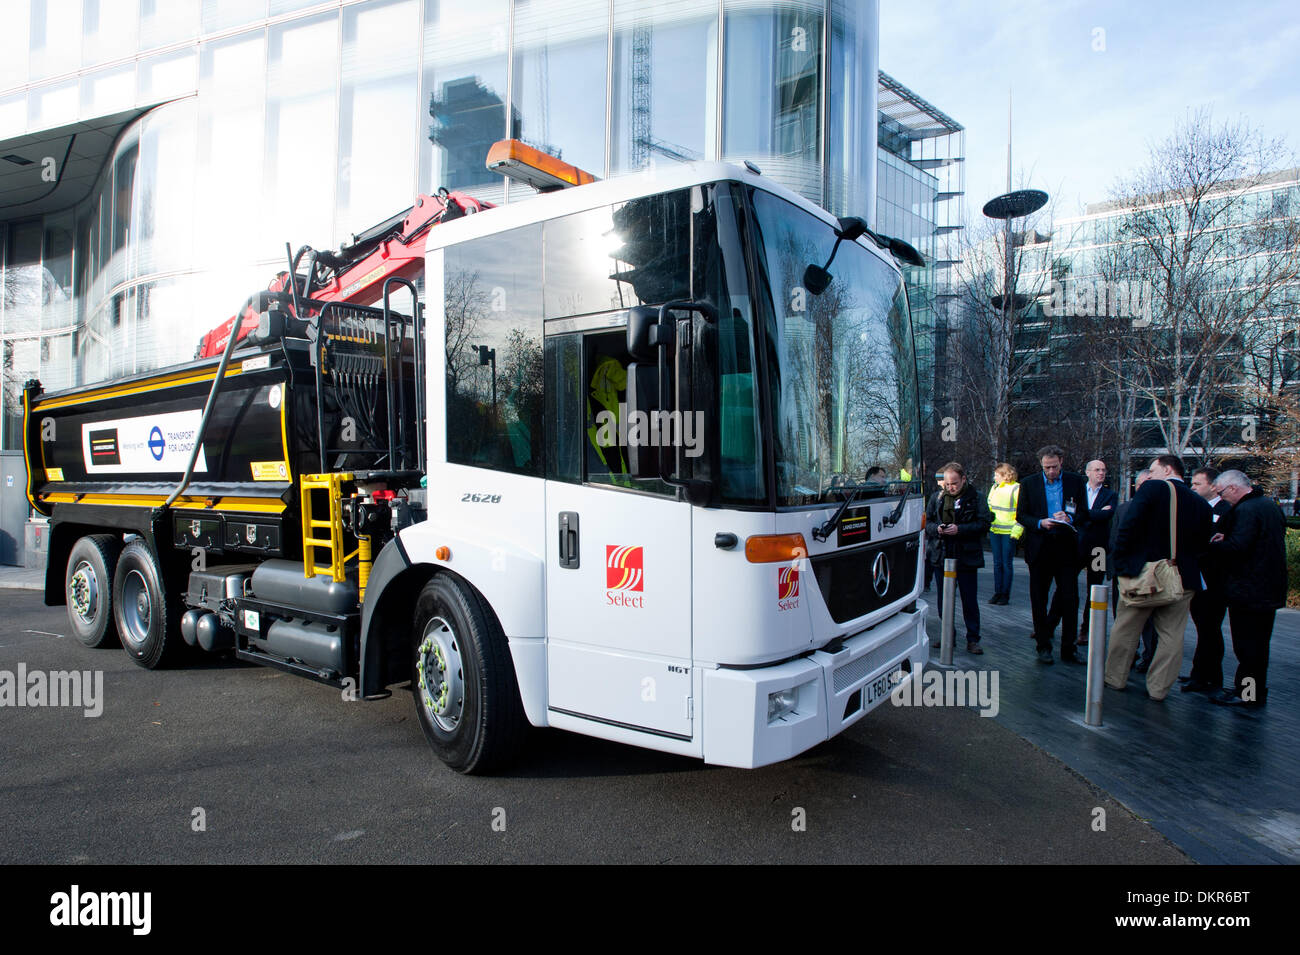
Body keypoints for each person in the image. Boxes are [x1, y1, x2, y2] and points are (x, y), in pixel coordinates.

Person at [1104, 454, 1213, 700]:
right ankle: (1159, 689)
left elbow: (1128, 528)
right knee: (1172, 636)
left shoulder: (1153, 488)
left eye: (1152, 470)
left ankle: (1115, 678)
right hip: (1183, 579)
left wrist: (1121, 566)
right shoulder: (1202, 505)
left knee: (1126, 629)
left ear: (1167, 469)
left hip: (1145, 576)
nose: (1149, 475)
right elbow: (1202, 546)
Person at [1206, 470, 1286, 708]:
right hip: (1269, 588)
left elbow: (1239, 547)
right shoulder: (1269, 506)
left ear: (1232, 489)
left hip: (1249, 590)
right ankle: (1252, 690)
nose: (1222, 499)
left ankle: (1247, 693)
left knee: (1247, 646)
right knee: (1259, 645)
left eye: (1221, 493)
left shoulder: (1245, 510)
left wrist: (1218, 544)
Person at [1016, 445, 1091, 664]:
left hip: (1066, 548)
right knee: (1038, 599)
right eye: (1047, 467)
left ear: (1061, 462)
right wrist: (1040, 522)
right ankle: (1043, 645)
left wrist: (1069, 518)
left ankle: (1069, 648)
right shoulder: (1029, 483)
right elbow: (1021, 515)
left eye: (1054, 467)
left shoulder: (1075, 482)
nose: (1051, 471)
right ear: (1041, 465)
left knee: (1070, 599)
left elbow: (1084, 513)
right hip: (1040, 548)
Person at [924, 462, 993, 654]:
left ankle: (973, 638)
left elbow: (984, 523)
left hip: (966, 555)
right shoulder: (937, 498)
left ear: (963, 479)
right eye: (947, 484)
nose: (950, 487)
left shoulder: (976, 497)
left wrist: (960, 529)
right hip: (941, 553)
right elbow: (928, 521)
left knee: (969, 599)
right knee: (943, 600)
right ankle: (948, 635)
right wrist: (937, 529)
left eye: (954, 483)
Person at [1181, 467, 1232, 693]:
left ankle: (1209, 677)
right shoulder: (1199, 508)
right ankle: (1201, 673)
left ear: (1213, 486)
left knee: (1210, 628)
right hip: (1199, 577)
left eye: (1197, 484)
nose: (1192, 487)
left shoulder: (1226, 510)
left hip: (1214, 580)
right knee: (1204, 628)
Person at [1108, 469, 1157, 663]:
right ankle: (1127, 656)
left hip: (1150, 573)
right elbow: (1114, 540)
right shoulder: (1123, 509)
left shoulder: (1160, 512)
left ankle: (1149, 657)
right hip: (1124, 573)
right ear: (1137, 486)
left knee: (1150, 622)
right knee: (1124, 620)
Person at [1076, 459, 1117, 646]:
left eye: (1103, 469)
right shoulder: (1078, 492)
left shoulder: (1110, 495)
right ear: (1088, 472)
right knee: (1065, 584)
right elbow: (1074, 515)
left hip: (1099, 549)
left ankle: (1086, 629)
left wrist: (1085, 514)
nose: (1101, 473)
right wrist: (1095, 513)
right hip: (1076, 546)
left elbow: (1107, 515)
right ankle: (1050, 624)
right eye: (1097, 470)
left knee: (1095, 588)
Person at [987, 463, 1022, 605]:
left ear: (1004, 475)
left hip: (1009, 532)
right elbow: (990, 507)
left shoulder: (1016, 488)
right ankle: (997, 592)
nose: (994, 477)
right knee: (997, 564)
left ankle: (1005, 594)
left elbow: (1020, 512)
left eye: (996, 474)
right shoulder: (994, 488)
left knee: (1006, 564)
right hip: (995, 530)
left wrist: (1017, 532)